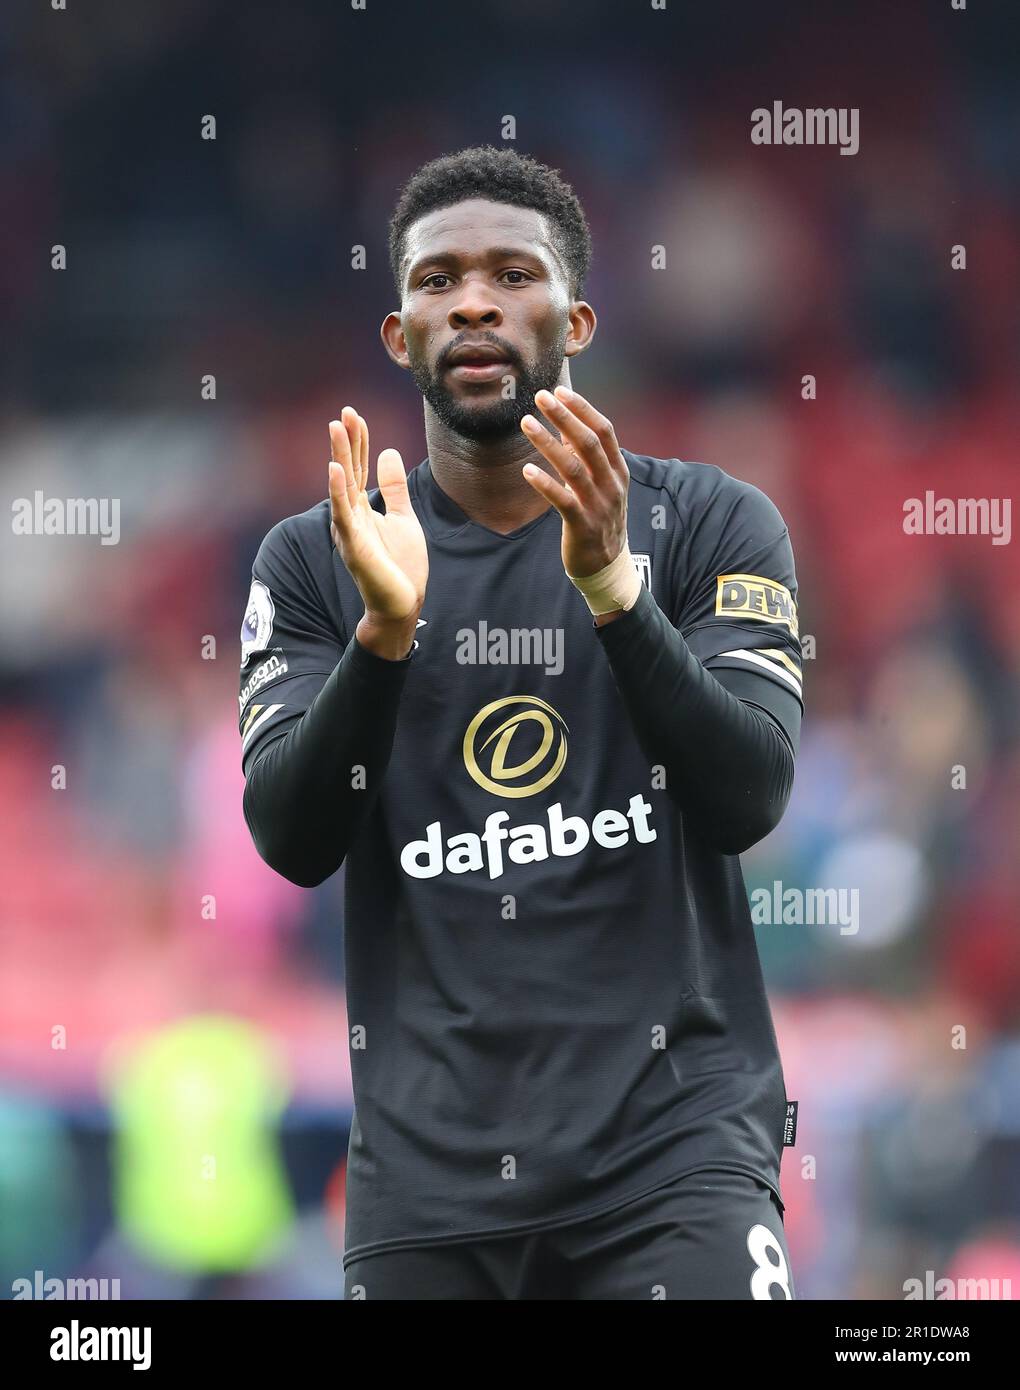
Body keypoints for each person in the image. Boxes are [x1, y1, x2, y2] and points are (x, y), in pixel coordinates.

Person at [239, 145, 803, 1299]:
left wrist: (614, 595)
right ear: (402, 336)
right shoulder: (317, 559)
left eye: (512, 273)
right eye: (439, 281)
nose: (476, 301)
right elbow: (292, 841)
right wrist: (382, 639)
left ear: (578, 317)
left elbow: (747, 797)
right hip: (427, 1192)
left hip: (673, 1163)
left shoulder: (708, 524)